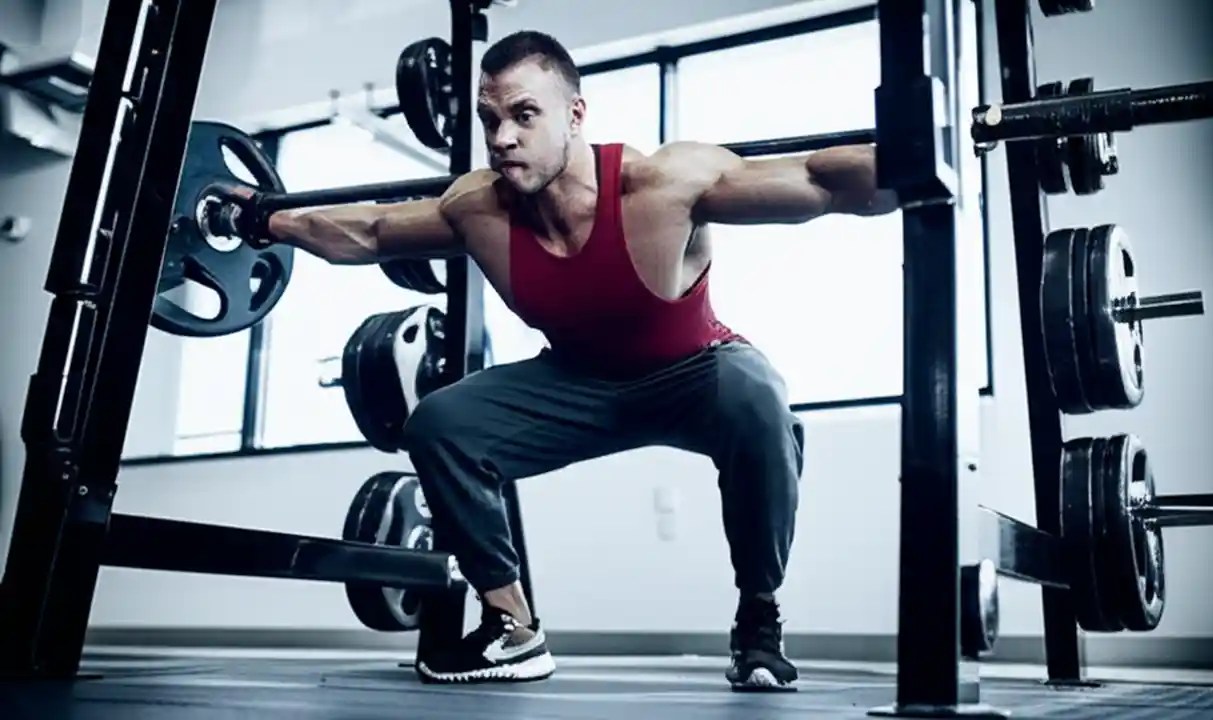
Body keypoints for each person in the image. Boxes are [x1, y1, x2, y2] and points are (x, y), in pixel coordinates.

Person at [217, 30, 898, 689]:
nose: (502, 136)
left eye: (523, 115)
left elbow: (821, 182)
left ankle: (760, 618)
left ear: (575, 114)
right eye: (490, 118)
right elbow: (367, 232)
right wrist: (260, 220)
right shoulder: (476, 208)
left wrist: (912, 156)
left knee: (760, 394)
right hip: (576, 383)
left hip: (696, 373)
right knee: (440, 424)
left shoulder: (660, 185)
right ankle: (512, 626)